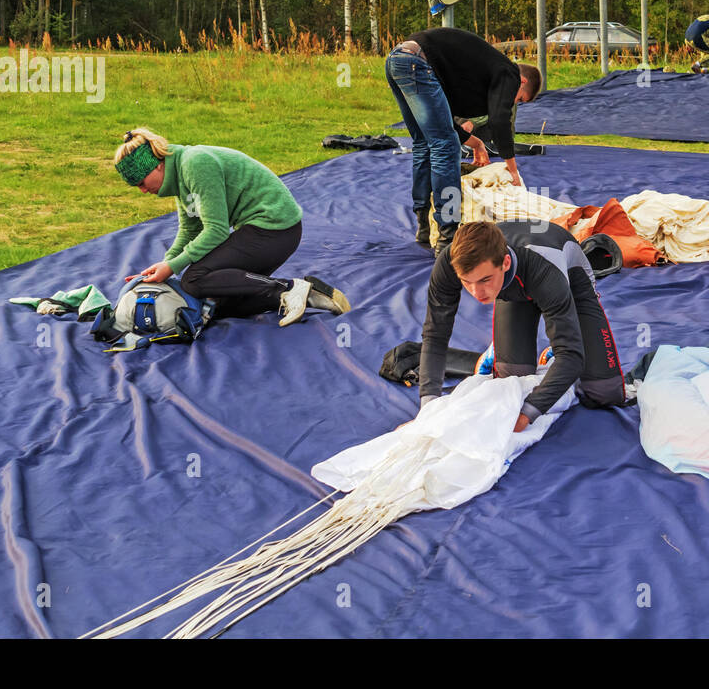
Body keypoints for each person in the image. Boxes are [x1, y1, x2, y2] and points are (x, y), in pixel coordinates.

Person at [114, 128, 350, 326]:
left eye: (141, 183)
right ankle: (307, 296)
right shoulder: (178, 174)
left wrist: (173, 266)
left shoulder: (194, 164)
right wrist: (165, 266)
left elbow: (216, 230)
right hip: (264, 232)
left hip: (275, 229)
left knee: (194, 280)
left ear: (155, 166)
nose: (143, 191)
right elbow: (189, 230)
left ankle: (291, 287)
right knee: (221, 303)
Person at [418, 220, 625, 433]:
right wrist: (428, 408)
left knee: (604, 392)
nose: (477, 293)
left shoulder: (546, 272)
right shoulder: (450, 263)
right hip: (513, 289)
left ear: (505, 263)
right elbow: (435, 334)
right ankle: (511, 345)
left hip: (569, 282)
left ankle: (554, 350)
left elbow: (571, 356)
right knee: (513, 378)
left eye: (485, 280)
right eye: (466, 282)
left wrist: (528, 412)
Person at [385, 28, 541, 251]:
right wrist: (512, 168)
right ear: (522, 81)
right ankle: (448, 236)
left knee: (424, 143)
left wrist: (476, 143)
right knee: (446, 147)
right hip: (417, 62)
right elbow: (499, 121)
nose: (514, 102)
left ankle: (424, 227)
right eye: (520, 98)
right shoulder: (509, 73)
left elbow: (446, 121)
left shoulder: (475, 79)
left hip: (398, 58)